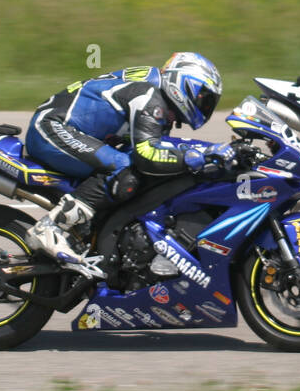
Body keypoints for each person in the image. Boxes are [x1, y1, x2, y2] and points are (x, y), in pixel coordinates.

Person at [24, 52, 229, 278]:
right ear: (184, 84)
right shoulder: (149, 96)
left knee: (140, 174)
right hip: (53, 127)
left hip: (74, 131)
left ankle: (90, 235)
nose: (205, 105)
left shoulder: (157, 96)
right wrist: (192, 157)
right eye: (203, 97)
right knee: (125, 168)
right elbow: (147, 155)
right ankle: (50, 226)